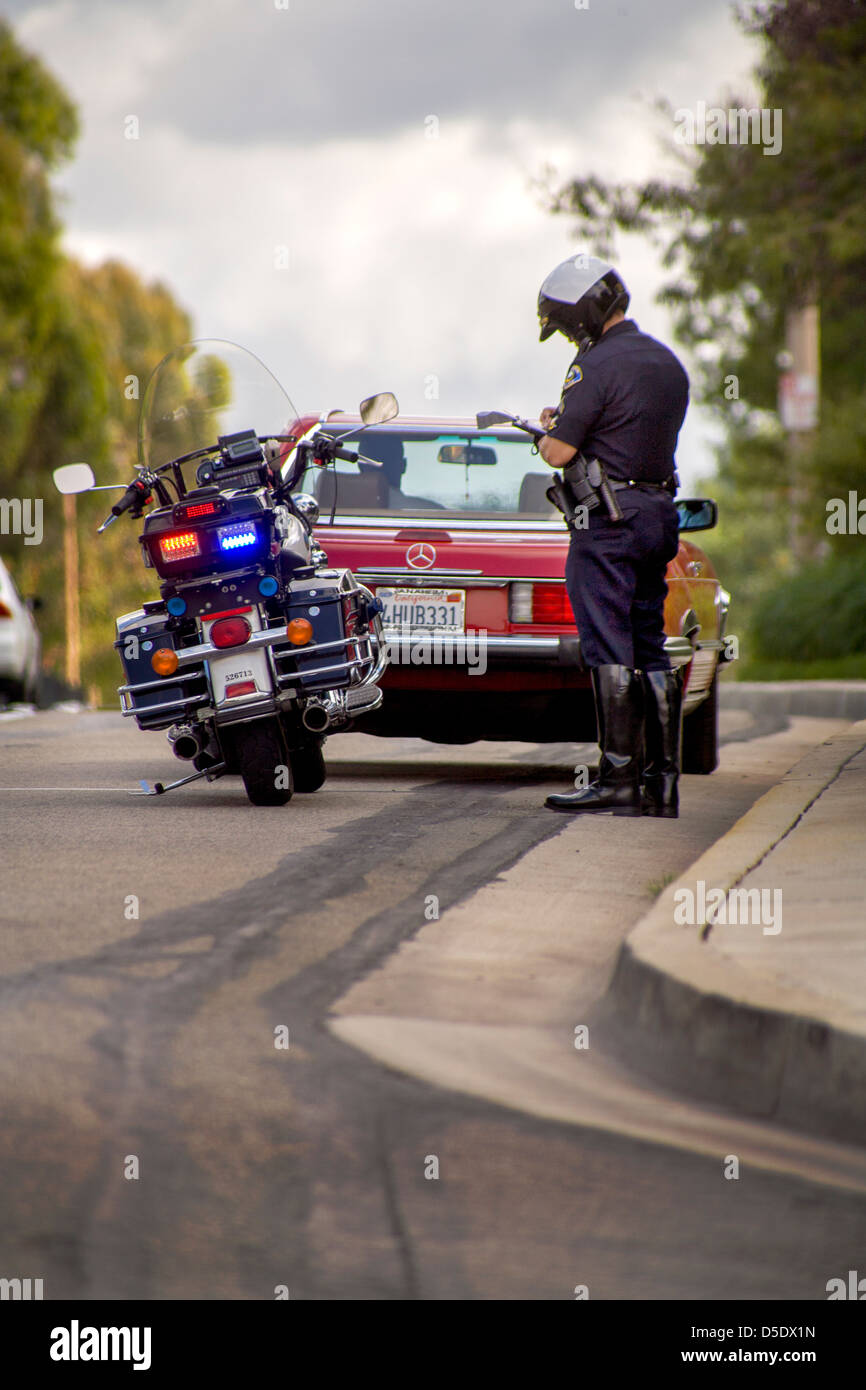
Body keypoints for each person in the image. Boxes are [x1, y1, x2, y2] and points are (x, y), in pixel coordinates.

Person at [536, 254, 689, 817]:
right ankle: (662, 785)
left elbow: (558, 451)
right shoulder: (666, 361)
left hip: (608, 522)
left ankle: (616, 780)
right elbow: (634, 429)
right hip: (657, 513)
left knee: (608, 646)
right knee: (650, 644)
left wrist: (553, 426)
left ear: (580, 316)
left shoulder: (593, 365)